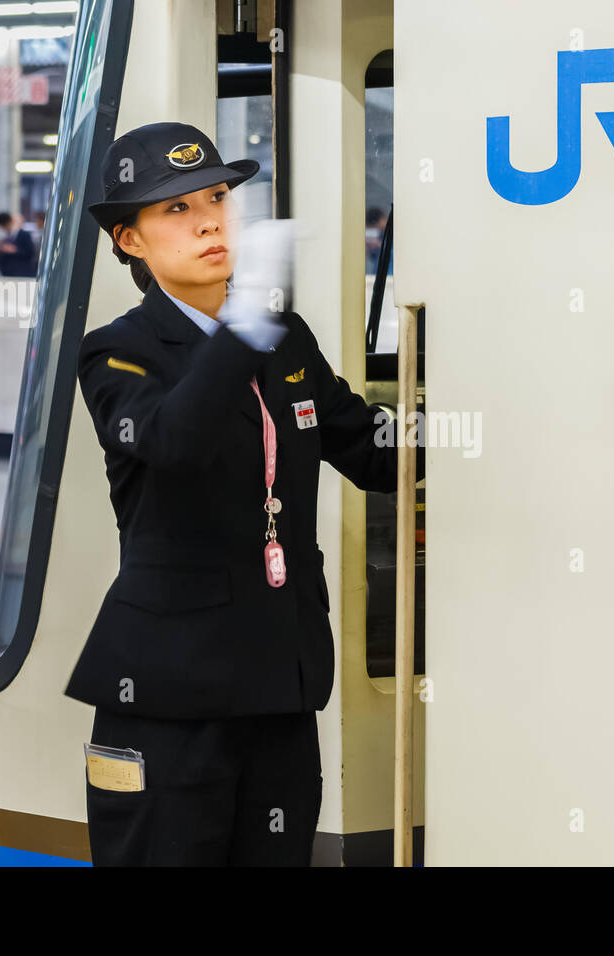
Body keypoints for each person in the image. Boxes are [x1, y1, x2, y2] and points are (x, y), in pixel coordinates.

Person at [68, 121, 424, 866]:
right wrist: (242, 324)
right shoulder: (117, 352)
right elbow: (170, 442)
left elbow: (367, 447)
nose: (207, 219)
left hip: (278, 689)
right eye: (174, 209)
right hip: (167, 699)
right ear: (129, 241)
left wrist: (476, 433)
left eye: (217, 197)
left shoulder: (282, 339)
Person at [0, 211, 37, 277]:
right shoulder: (4, 236)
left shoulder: (24, 235)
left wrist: (15, 250)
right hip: (7, 273)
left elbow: (30, 253)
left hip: (22, 273)